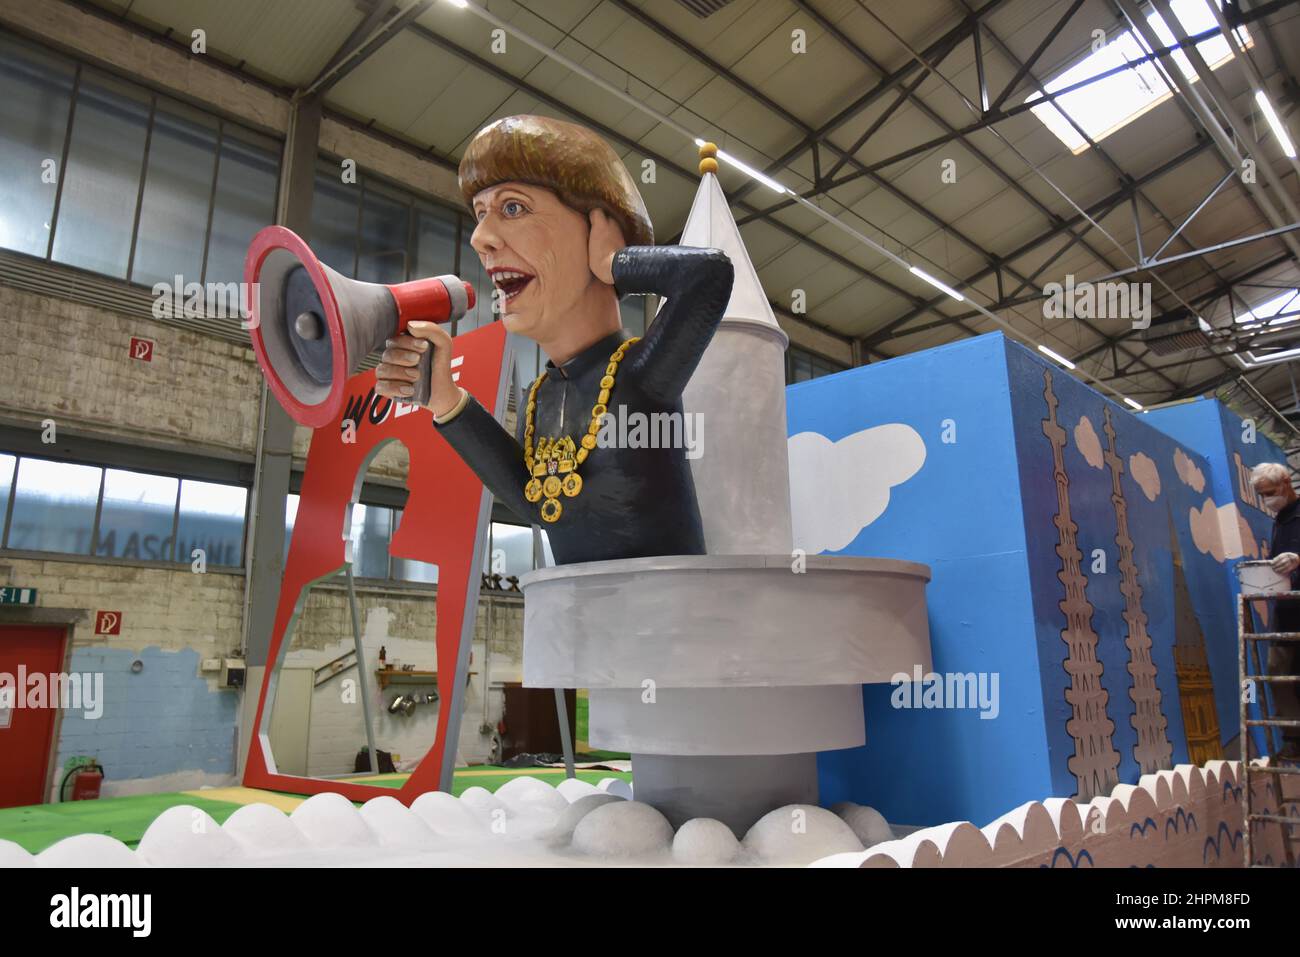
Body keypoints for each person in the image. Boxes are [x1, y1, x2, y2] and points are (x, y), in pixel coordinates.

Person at [375, 115, 733, 565]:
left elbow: (709, 277)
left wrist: (611, 260)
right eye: (481, 214)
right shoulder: (540, 396)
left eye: (512, 208)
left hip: (667, 624)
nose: (480, 238)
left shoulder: (642, 375)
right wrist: (445, 399)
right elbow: (534, 503)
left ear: (603, 229)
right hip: (577, 623)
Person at [1250, 461, 1300, 759]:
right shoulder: (1280, 519)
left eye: (1269, 492)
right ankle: (1294, 739)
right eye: (1261, 494)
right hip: (1287, 610)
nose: (1267, 499)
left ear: (1285, 482)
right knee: (1279, 672)